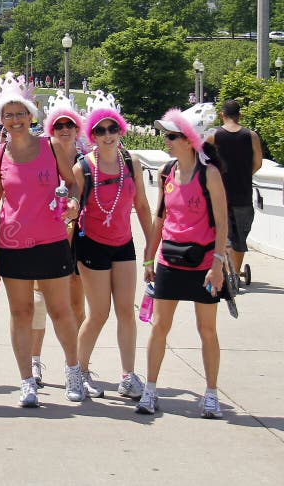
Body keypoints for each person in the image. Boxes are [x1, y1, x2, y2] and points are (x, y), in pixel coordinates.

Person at [0, 72, 84, 407]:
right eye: (8, 114)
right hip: (12, 243)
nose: (15, 120)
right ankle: (27, 380)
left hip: (51, 240)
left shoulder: (51, 146)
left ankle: (73, 370)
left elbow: (72, 183)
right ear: (1, 119)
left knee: (60, 310)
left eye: (20, 113)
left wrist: (73, 202)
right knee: (21, 313)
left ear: (31, 115)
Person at [137, 109, 228, 418]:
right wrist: (149, 258)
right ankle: (150, 391)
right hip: (169, 261)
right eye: (166, 135)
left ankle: (211, 394)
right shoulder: (166, 171)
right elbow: (159, 218)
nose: (166, 140)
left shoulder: (209, 174)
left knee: (207, 329)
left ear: (189, 140)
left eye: (172, 136)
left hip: (203, 264)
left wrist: (217, 264)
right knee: (159, 326)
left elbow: (222, 223)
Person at [73, 94, 153, 400]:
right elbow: (72, 206)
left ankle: (128, 376)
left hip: (123, 244)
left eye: (112, 129)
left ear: (120, 130)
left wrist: (151, 248)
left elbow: (142, 206)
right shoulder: (84, 167)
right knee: (99, 313)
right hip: (92, 244)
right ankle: (79, 372)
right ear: (92, 135)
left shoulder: (131, 163)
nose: (107, 135)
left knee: (126, 312)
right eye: (100, 130)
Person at [206, 100, 262, 284]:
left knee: (225, 236)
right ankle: (235, 274)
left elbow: (202, 160)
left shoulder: (213, 136)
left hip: (219, 195)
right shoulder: (251, 136)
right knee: (240, 238)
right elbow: (258, 163)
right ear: (240, 115)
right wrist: (245, 174)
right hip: (243, 194)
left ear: (222, 115)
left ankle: (229, 274)